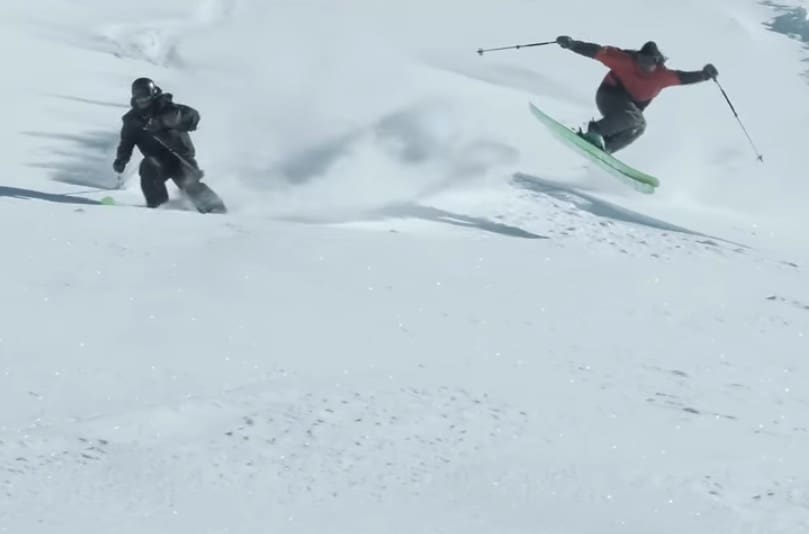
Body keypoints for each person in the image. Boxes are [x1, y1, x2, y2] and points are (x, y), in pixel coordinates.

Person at [555, 36, 718, 154]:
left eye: (649, 62)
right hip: (609, 95)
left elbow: (684, 77)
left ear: (657, 61)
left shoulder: (663, 76)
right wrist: (571, 44)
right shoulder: (625, 61)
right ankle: (594, 131)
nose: (644, 65)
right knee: (634, 119)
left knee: (639, 127)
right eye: (641, 60)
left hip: (628, 108)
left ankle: (606, 148)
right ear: (637, 57)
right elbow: (597, 52)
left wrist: (705, 75)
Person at [113, 77, 216, 210]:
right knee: (148, 166)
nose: (142, 101)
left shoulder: (168, 107)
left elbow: (193, 117)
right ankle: (160, 208)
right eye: (139, 97)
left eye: (145, 96)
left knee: (188, 182)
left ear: (153, 94)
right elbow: (126, 142)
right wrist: (121, 159)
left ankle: (214, 209)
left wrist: (170, 120)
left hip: (180, 157)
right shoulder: (132, 120)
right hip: (158, 161)